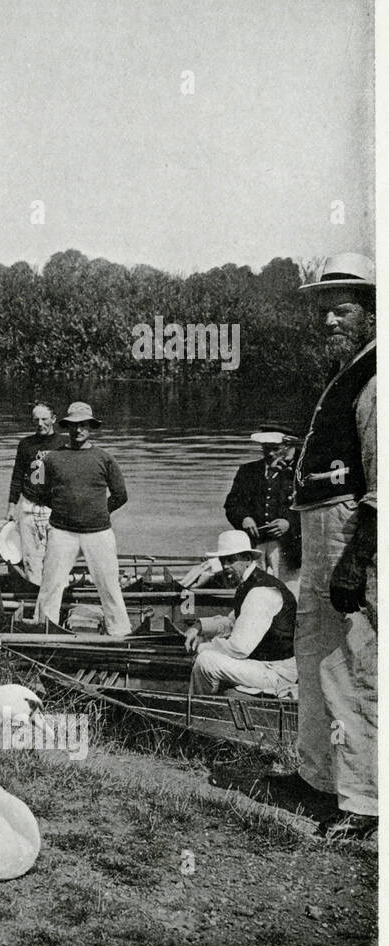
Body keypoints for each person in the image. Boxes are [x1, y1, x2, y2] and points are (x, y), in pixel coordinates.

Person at [281, 252, 377, 840]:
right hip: (321, 526)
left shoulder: (378, 378)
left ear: (372, 313)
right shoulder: (350, 374)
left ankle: (365, 801)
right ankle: (319, 778)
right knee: (313, 654)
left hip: (352, 532)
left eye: (341, 311)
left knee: (354, 661)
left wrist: (358, 559)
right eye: (324, 312)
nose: (328, 322)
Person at [33, 401, 131, 636]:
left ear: (91, 427)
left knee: (108, 585)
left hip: (98, 532)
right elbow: (39, 491)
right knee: (50, 585)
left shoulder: (104, 458)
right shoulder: (52, 458)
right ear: (66, 427)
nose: (78, 430)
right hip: (61, 531)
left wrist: (99, 511)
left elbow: (120, 495)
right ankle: (43, 631)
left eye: (83, 425)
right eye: (73, 426)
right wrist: (63, 507)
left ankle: (120, 632)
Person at [184, 531, 297, 697]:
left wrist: (201, 648)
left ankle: (200, 712)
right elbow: (232, 622)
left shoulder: (261, 591)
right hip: (263, 665)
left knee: (205, 661)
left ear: (247, 559)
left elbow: (238, 648)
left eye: (231, 560)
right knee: (208, 653)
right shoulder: (249, 584)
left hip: (276, 671)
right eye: (223, 561)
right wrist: (199, 626)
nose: (225, 567)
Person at [224, 423, 302, 593]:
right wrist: (243, 518)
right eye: (266, 448)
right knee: (253, 589)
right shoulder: (248, 471)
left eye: (275, 448)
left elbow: (312, 509)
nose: (270, 453)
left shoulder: (302, 471)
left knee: (289, 590)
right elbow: (232, 504)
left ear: (288, 445)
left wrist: (289, 523)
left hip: (288, 546)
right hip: (255, 544)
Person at [6, 403, 68, 586]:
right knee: (31, 557)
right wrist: (11, 506)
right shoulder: (26, 444)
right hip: (29, 505)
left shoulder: (64, 444)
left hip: (54, 507)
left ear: (54, 419)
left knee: (56, 555)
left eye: (44, 419)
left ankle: (57, 597)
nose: (40, 423)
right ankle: (35, 595)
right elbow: (17, 476)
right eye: (36, 420)